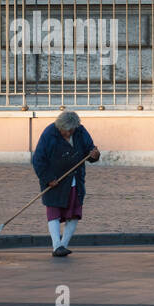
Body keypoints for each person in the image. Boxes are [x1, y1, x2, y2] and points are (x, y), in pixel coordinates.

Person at [31, 110, 100, 257]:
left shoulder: (81, 132)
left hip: (75, 178)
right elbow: (38, 159)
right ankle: (56, 245)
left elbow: (90, 151)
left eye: (70, 131)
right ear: (59, 127)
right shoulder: (49, 134)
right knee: (54, 211)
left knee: (74, 213)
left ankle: (63, 245)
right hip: (54, 179)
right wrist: (48, 178)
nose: (68, 134)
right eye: (65, 131)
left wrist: (94, 155)